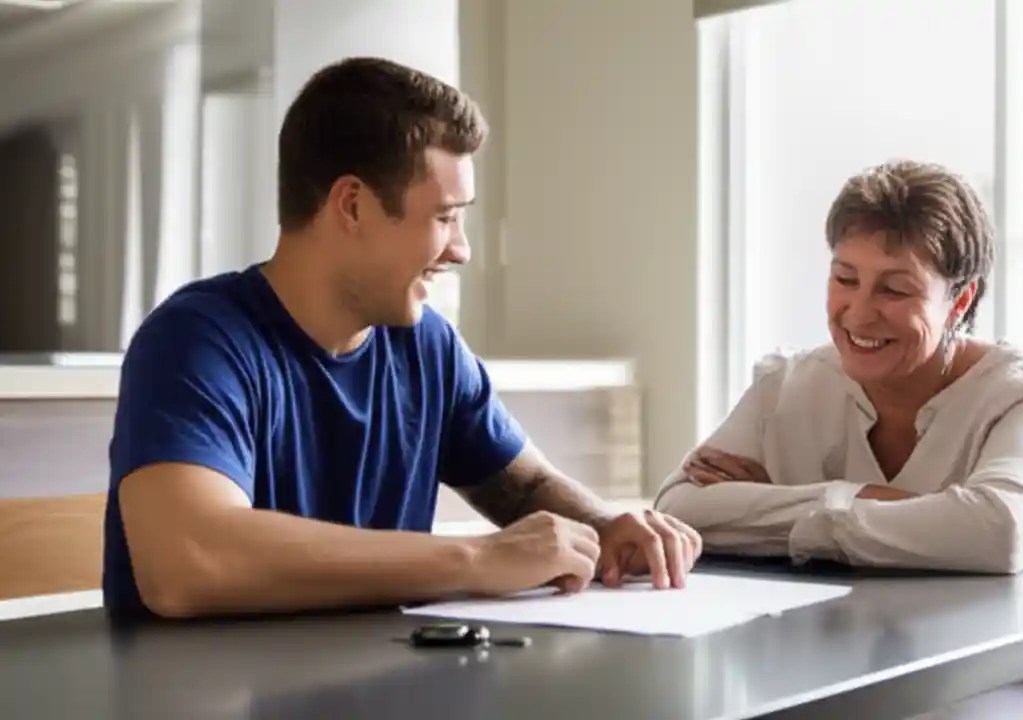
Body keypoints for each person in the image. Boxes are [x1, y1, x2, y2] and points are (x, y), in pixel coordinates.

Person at [104, 57, 701, 621]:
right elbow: (188, 562)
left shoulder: (427, 348)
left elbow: (525, 489)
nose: (462, 249)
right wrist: (478, 560)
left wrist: (603, 526)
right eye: (445, 217)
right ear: (353, 206)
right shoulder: (196, 342)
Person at [654, 160, 1023, 718]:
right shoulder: (785, 384)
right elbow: (680, 512)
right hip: (807, 667)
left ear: (958, 301)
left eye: (895, 289)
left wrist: (809, 505)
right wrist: (906, 509)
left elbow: (1001, 532)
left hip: (978, 677)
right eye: (844, 278)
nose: (858, 312)